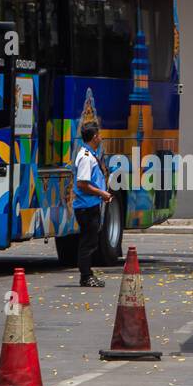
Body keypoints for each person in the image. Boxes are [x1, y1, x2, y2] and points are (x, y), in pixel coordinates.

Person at [73, 122, 112, 287]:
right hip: (86, 207)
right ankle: (85, 276)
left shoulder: (90, 154)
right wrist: (101, 193)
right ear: (94, 137)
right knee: (88, 242)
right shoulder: (86, 158)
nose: (101, 137)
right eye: (99, 134)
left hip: (90, 205)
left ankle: (88, 274)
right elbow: (82, 184)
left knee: (91, 241)